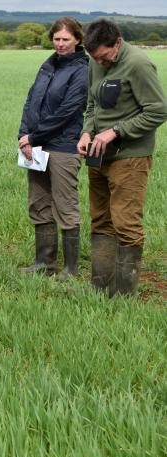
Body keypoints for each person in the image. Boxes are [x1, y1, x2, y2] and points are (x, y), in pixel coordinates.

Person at [77, 18, 167, 296]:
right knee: (100, 219)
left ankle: (123, 294)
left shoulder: (139, 64)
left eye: (104, 56)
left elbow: (158, 110)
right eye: (95, 58)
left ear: (117, 43)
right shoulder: (95, 61)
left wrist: (115, 132)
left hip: (130, 157)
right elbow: (92, 104)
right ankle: (100, 285)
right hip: (98, 155)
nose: (99, 63)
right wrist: (87, 132)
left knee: (125, 223)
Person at [17, 16, 89, 279]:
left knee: (65, 205)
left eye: (65, 39)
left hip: (63, 147)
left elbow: (68, 111)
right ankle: (44, 264)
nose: (60, 44)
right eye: (56, 39)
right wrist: (24, 134)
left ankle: (70, 269)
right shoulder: (48, 65)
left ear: (77, 40)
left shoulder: (82, 69)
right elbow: (31, 100)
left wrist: (33, 137)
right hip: (35, 146)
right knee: (39, 202)